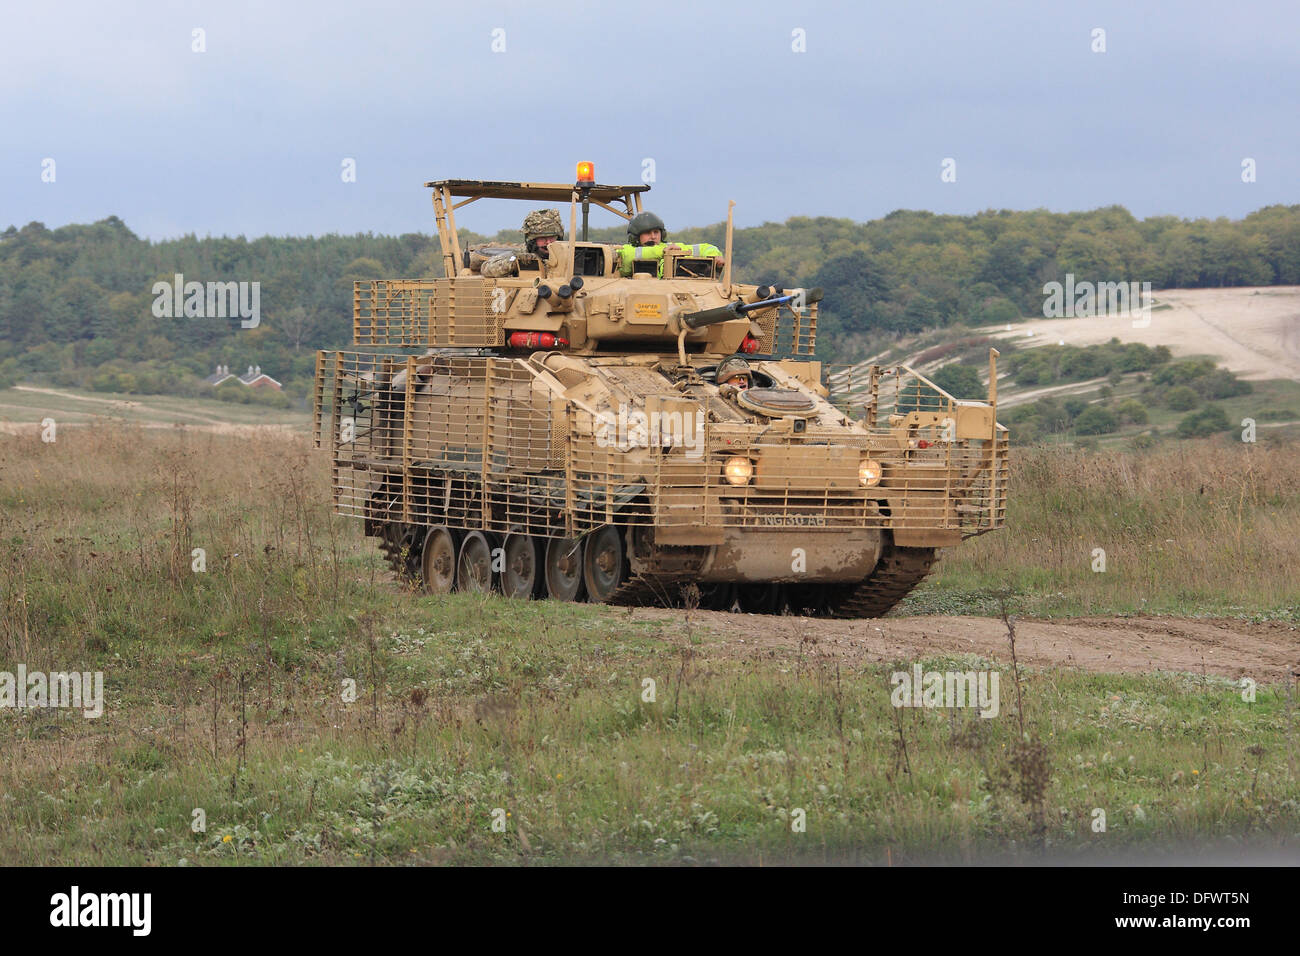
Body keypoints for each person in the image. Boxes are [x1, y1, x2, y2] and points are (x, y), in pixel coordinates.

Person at [617, 211, 722, 278]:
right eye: (647, 233)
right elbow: (626, 258)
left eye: (656, 232)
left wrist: (715, 255)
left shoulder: (670, 247)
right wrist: (664, 252)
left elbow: (705, 248)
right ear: (635, 237)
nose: (653, 236)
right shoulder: (626, 250)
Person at [480, 209, 565, 278]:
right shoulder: (520, 254)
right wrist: (515, 262)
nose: (548, 242)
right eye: (543, 238)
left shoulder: (567, 255)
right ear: (532, 240)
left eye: (552, 237)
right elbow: (486, 268)